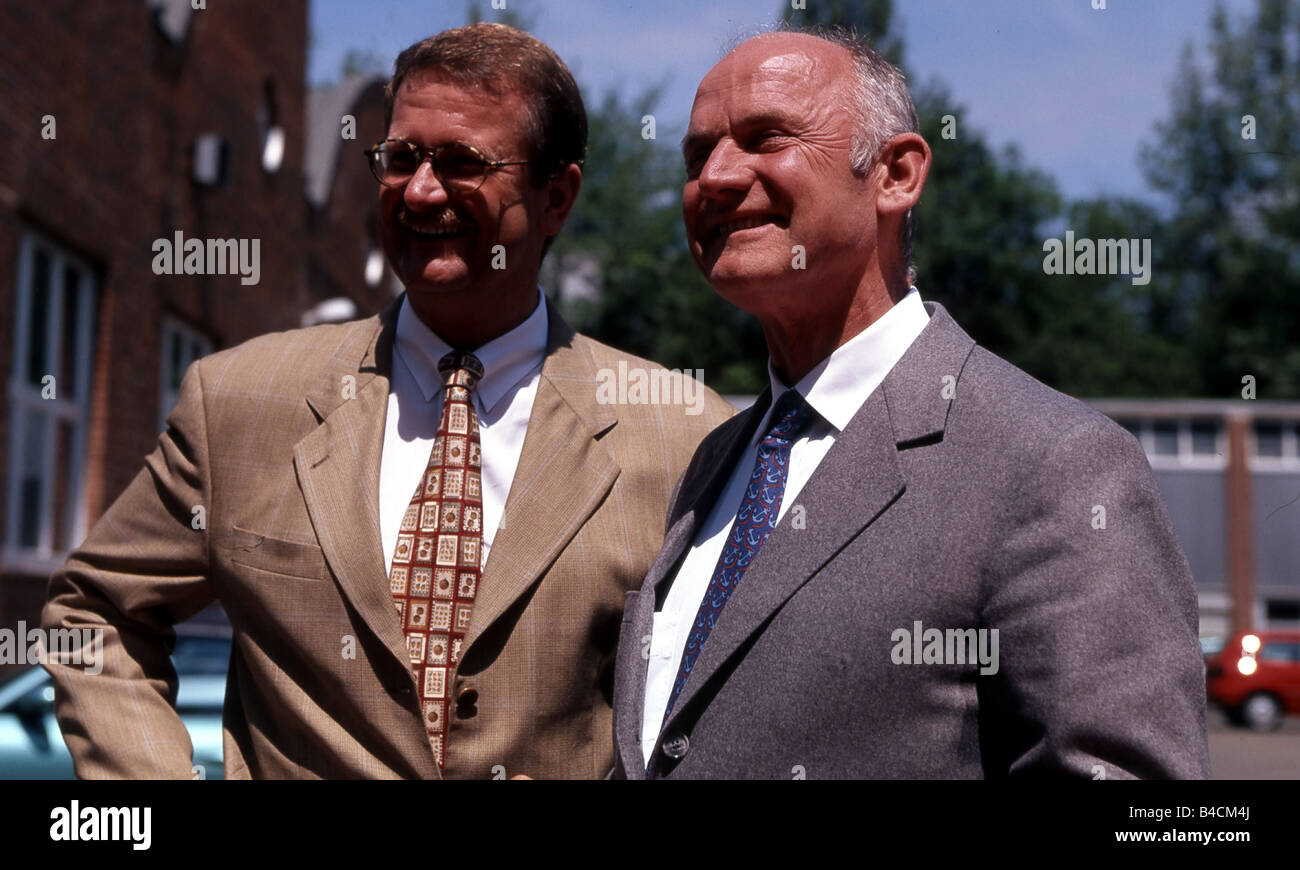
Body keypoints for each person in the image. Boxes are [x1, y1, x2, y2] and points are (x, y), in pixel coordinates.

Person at [42, 23, 732, 779]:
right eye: (401, 159)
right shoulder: (239, 400)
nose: (423, 190)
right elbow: (97, 613)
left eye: (464, 163)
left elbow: (722, 702)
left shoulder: (680, 435)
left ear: (556, 197)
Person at [611, 27, 1210, 779]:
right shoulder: (716, 463)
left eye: (767, 139)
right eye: (698, 154)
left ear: (895, 173)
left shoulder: (1054, 465)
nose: (719, 177)